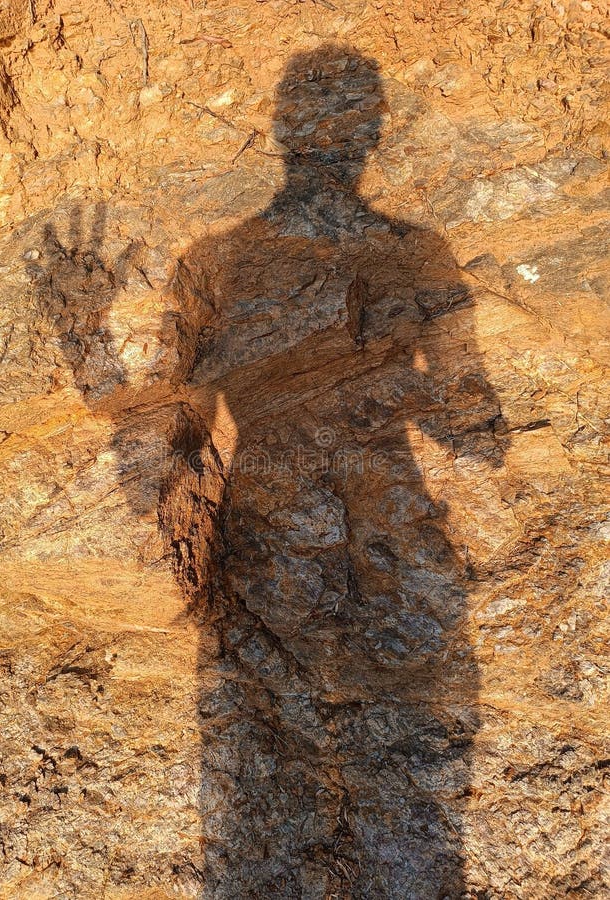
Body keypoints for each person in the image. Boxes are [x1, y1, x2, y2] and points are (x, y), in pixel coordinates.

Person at [38, 43, 506, 898]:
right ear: (371, 132)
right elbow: (482, 433)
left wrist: (92, 349)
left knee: (300, 835)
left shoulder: (222, 260)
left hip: (309, 571)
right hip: (337, 572)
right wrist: (91, 343)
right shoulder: (406, 253)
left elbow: (169, 448)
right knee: (365, 835)